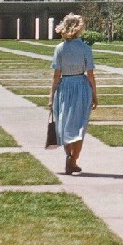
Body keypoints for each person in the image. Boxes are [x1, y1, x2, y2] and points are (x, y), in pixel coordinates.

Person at [49, 13, 98, 175]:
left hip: (64, 87)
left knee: (65, 124)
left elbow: (56, 75)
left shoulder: (60, 49)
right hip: (81, 86)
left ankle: (69, 157)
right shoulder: (85, 48)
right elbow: (90, 75)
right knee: (79, 126)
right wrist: (95, 94)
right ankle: (73, 160)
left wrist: (51, 97)